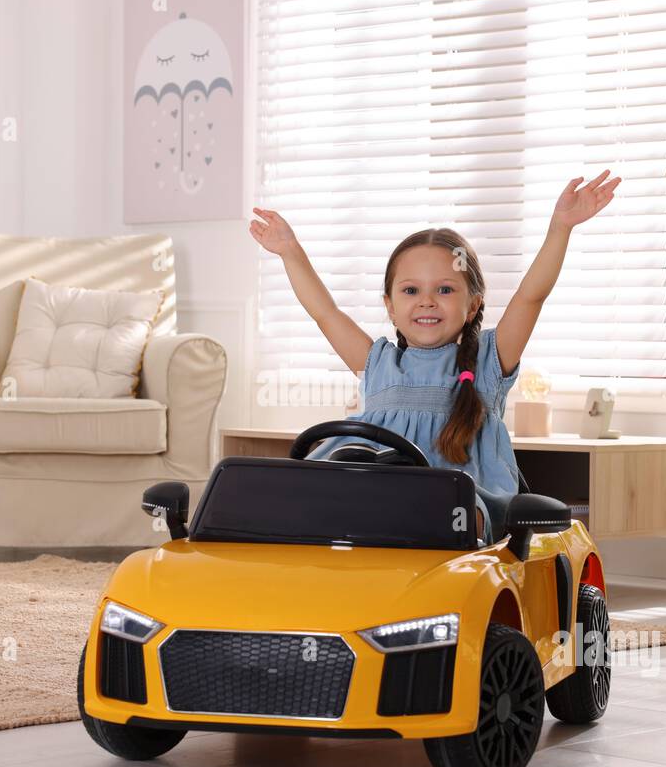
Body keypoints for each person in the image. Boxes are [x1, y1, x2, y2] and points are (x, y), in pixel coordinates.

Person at [248, 171, 620, 544]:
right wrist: (290, 251)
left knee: (449, 505)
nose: (426, 300)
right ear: (390, 307)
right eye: (411, 290)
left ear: (473, 305)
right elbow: (325, 312)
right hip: (370, 489)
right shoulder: (377, 363)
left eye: (444, 289)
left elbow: (530, 296)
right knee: (291, 488)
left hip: (452, 504)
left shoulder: (488, 361)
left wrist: (560, 229)